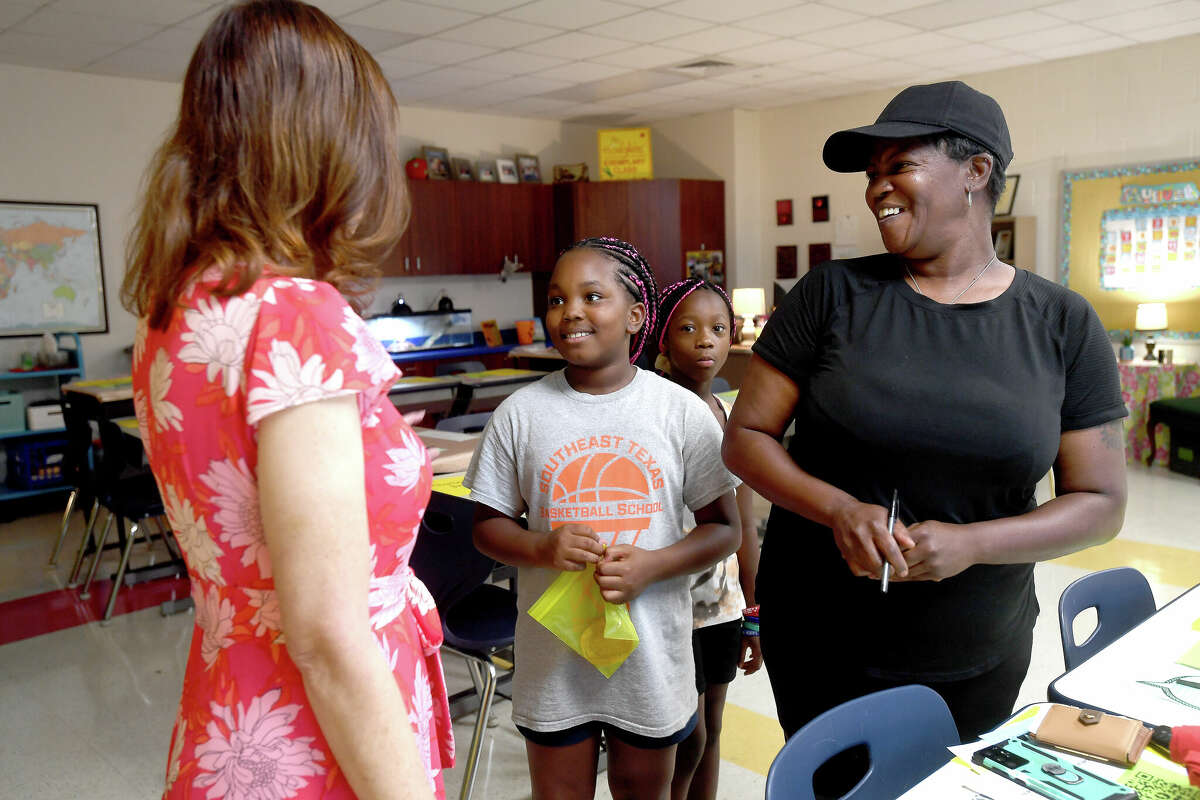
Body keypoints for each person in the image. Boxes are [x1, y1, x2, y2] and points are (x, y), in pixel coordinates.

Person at [723, 80, 1127, 778]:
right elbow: (745, 438)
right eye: (872, 174)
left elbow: (1101, 504)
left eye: (898, 165)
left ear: (976, 172)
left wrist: (972, 544)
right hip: (823, 640)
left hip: (979, 648)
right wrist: (839, 509)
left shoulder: (1062, 324)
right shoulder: (830, 295)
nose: (878, 188)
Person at [121, 2, 452, 797]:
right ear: (327, 150)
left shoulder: (174, 308)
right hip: (320, 736)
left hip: (234, 711)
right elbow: (328, 637)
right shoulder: (295, 313)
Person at [463, 237, 740, 800]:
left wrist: (653, 565)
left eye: (593, 296)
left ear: (638, 315)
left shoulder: (680, 412)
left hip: (650, 659)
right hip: (553, 663)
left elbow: (725, 529)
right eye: (558, 299)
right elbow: (486, 527)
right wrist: (540, 548)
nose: (572, 313)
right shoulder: (520, 414)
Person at [651, 279, 763, 800]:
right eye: (688, 328)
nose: (705, 341)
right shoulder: (652, 412)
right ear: (662, 339)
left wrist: (753, 610)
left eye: (718, 329)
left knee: (711, 729)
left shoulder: (725, 412)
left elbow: (746, 521)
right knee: (684, 736)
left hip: (719, 602)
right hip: (668, 603)